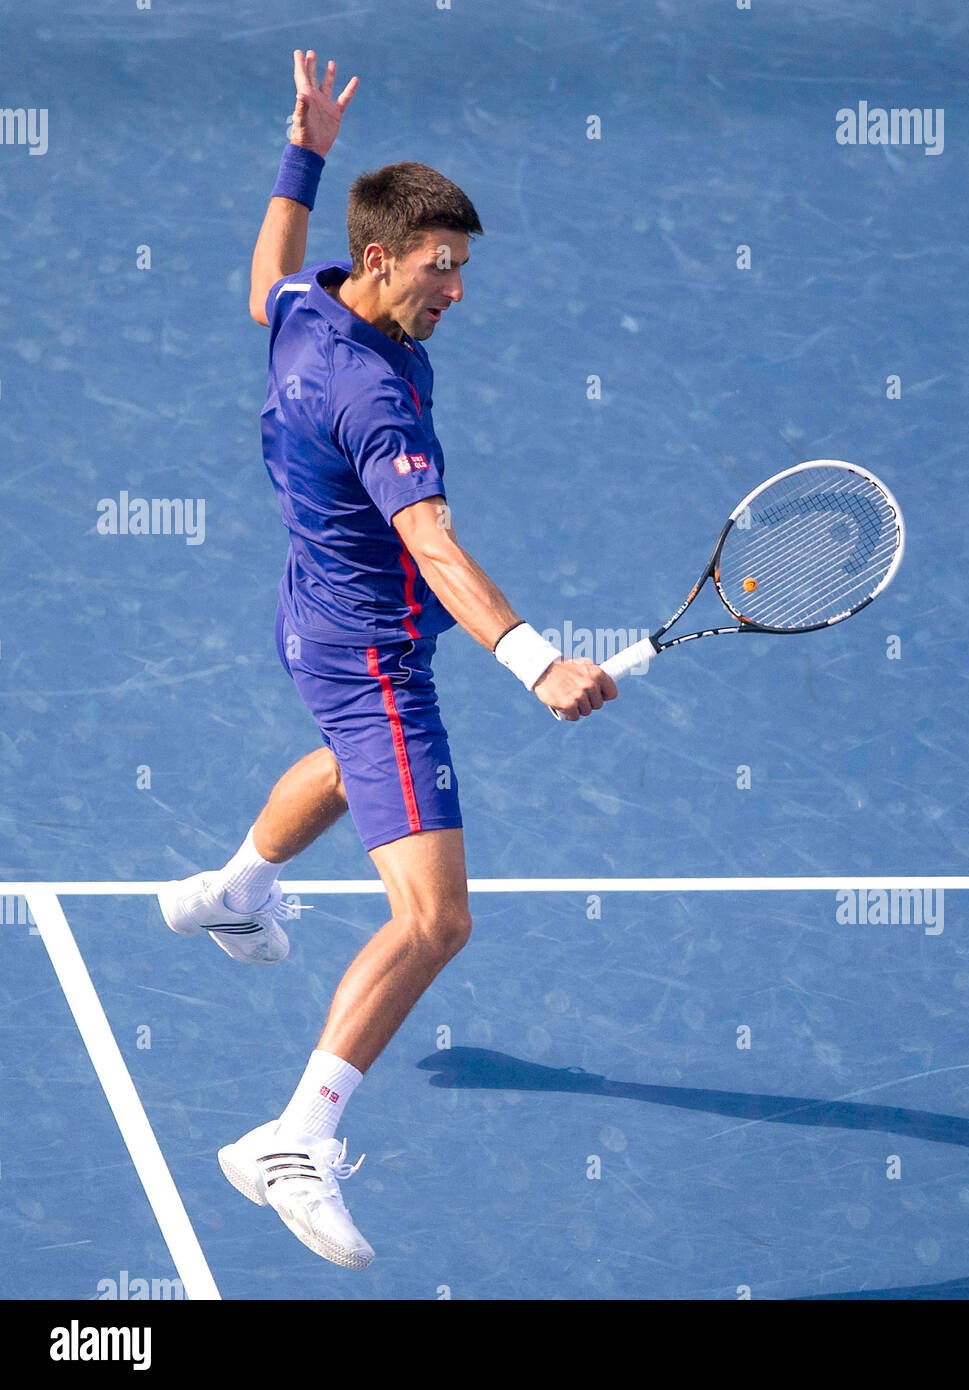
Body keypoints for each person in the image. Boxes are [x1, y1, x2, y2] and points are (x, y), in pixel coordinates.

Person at [157, 50, 617, 1270]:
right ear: (381, 258)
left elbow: (263, 275)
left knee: (342, 765)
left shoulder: (310, 308)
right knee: (435, 919)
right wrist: (536, 662)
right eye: (438, 267)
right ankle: (290, 1140)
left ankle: (235, 890)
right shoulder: (376, 402)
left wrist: (300, 150)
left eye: (462, 267)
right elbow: (433, 540)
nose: (457, 291)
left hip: (311, 617)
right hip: (374, 657)